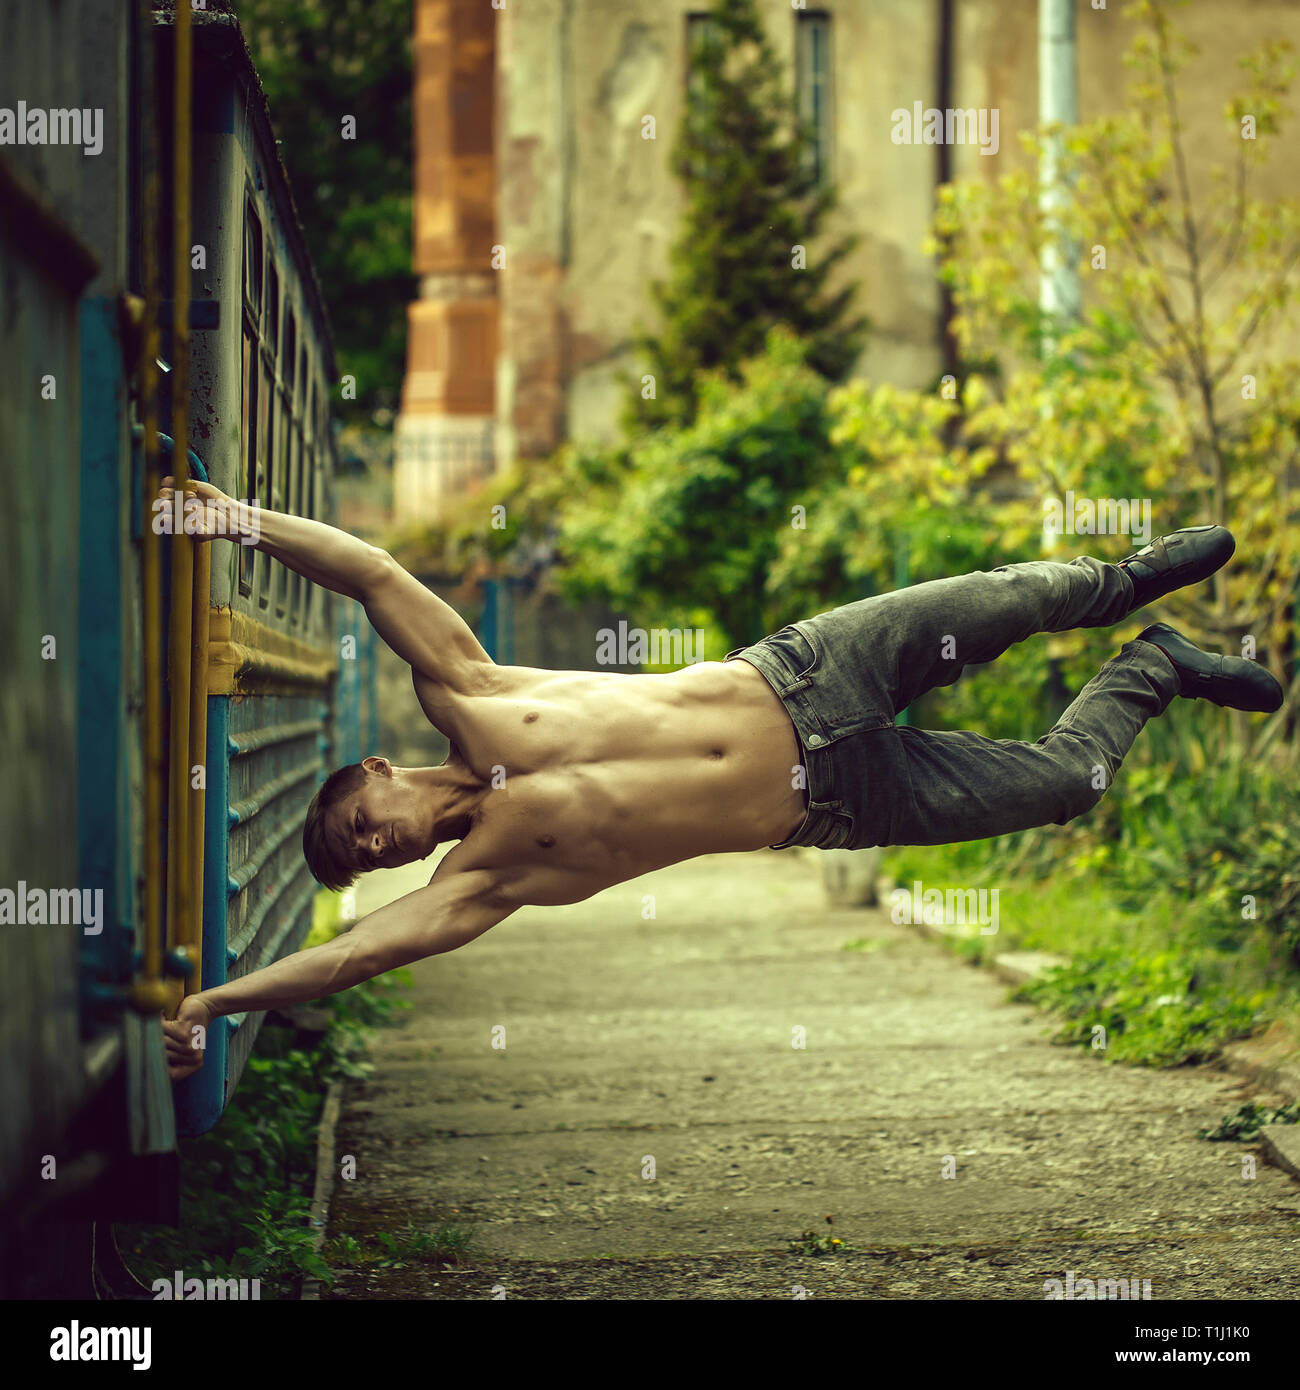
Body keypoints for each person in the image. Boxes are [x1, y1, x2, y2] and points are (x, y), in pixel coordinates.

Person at [160, 477, 1282, 1081]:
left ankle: (1123, 580)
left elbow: (370, 570)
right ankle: (1158, 667)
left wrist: (235, 522)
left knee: (1021, 598)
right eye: (364, 857)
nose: (378, 846)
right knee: (1061, 787)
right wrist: (216, 1000)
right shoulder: (487, 877)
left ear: (374, 771)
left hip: (808, 671)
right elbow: (353, 953)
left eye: (360, 824)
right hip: (839, 797)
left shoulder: (468, 688)